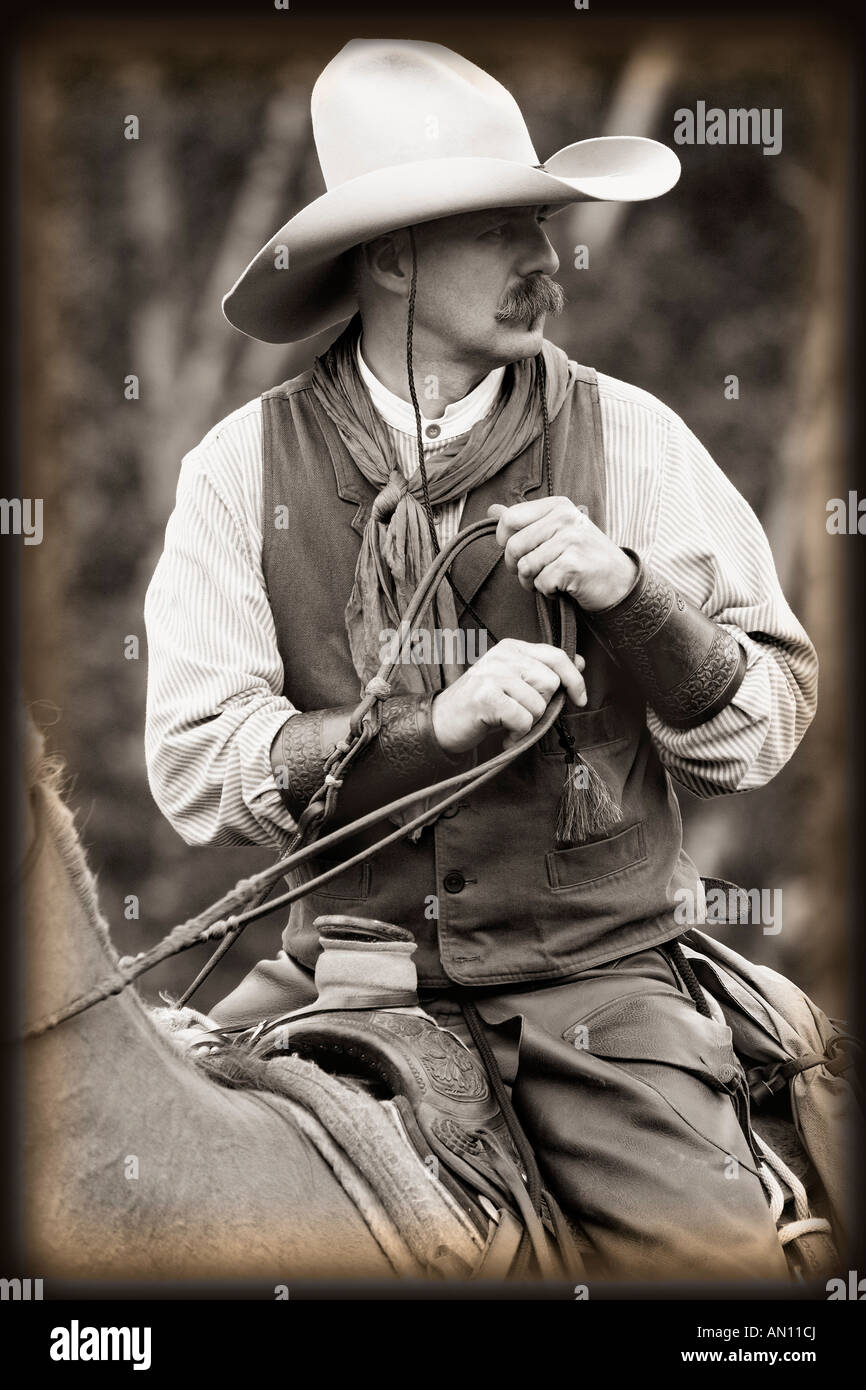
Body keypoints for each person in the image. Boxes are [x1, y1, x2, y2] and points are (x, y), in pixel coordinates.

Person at [144, 39, 817, 1279]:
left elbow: (762, 721)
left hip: (595, 990)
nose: (542, 264)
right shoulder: (237, 469)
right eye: (499, 230)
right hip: (340, 975)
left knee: (721, 1282)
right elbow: (197, 765)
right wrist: (424, 732)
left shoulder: (631, 436)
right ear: (390, 256)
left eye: (543, 227)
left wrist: (633, 599)